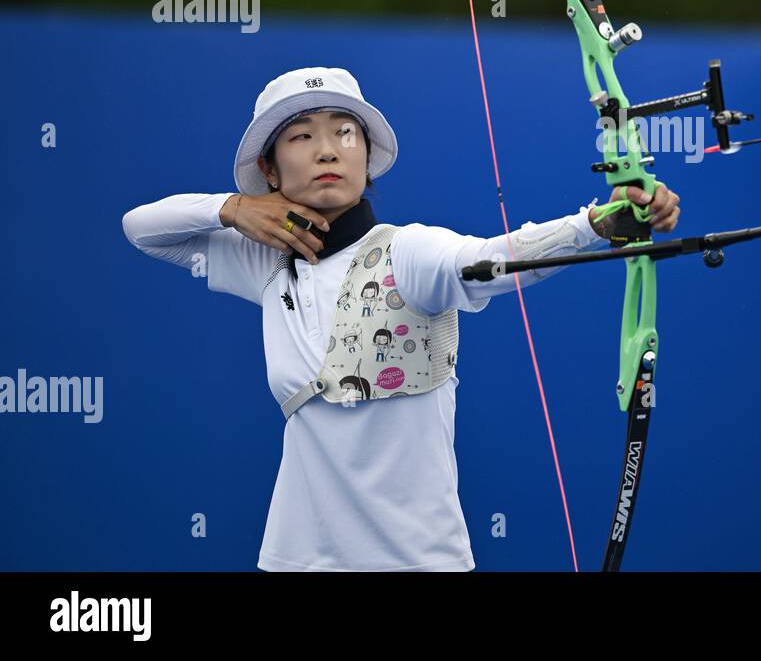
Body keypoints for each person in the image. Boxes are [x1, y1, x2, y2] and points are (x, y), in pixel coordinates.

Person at [121, 66, 680, 571]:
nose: (326, 150)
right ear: (269, 168)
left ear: (365, 153)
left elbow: (490, 259)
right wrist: (232, 208)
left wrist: (593, 224)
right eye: (301, 135)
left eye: (344, 132)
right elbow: (141, 228)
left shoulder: (408, 253)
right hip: (295, 560)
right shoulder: (265, 260)